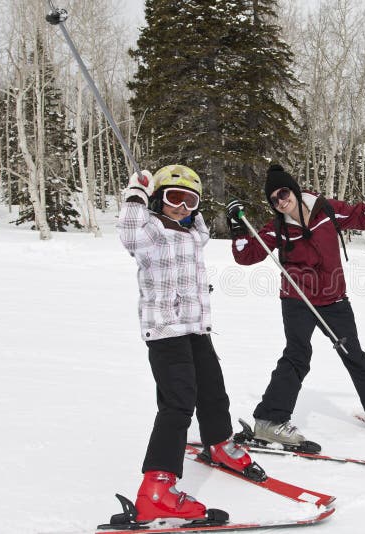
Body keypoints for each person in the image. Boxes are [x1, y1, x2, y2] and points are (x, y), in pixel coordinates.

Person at [118, 165, 262, 522]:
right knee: (178, 404)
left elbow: (200, 229)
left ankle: (219, 444)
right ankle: (156, 488)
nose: (181, 207)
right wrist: (137, 192)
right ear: (158, 199)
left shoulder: (193, 234)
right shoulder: (149, 234)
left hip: (196, 329)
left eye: (189, 200)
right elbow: (128, 233)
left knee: (213, 390)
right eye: (173, 198)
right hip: (166, 331)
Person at [225, 164, 365, 451]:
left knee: (353, 353)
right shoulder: (277, 228)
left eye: (284, 193)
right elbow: (247, 255)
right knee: (297, 355)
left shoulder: (326, 210)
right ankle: (270, 421)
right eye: (274, 199)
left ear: (293, 189)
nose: (281, 201)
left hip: (333, 298)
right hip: (297, 299)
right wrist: (237, 227)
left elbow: (363, 217)